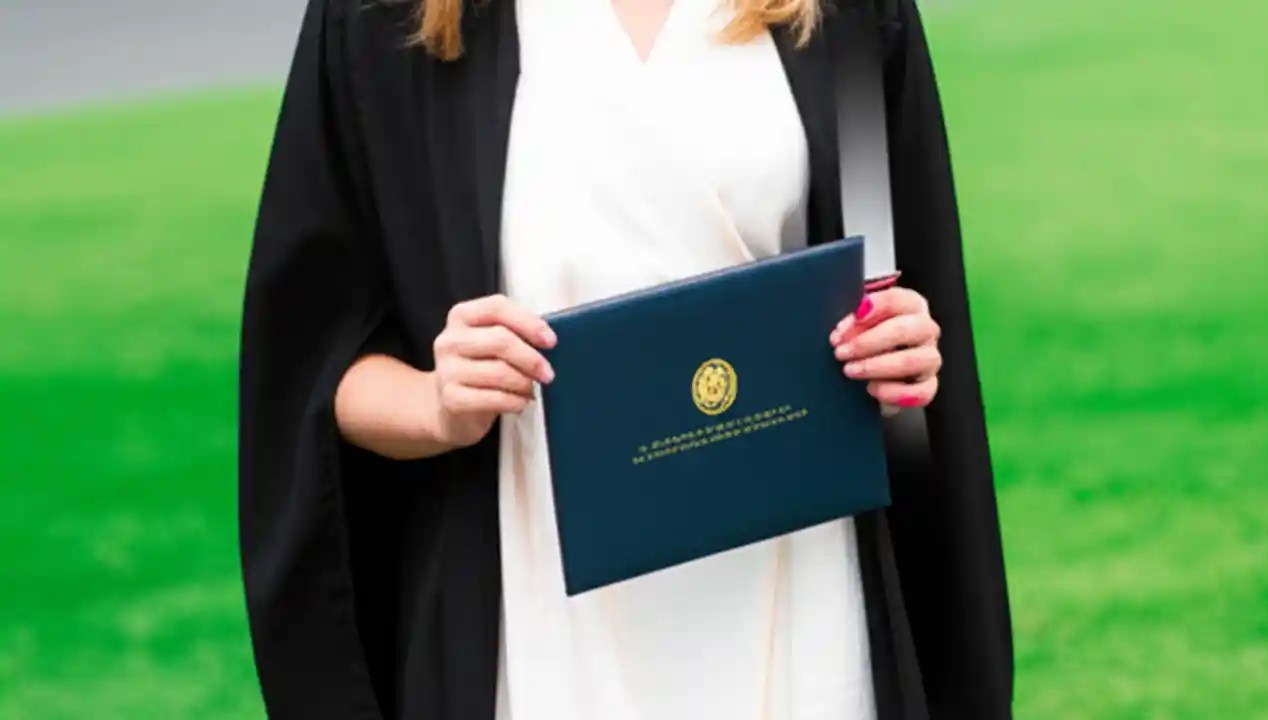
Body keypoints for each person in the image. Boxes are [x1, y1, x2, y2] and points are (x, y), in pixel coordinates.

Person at [238, 0, 1013, 717]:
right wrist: (437, 403)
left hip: (799, 584)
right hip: (543, 593)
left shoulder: (844, 11)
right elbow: (307, 368)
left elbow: (899, 274)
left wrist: (899, 344)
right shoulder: (388, 19)